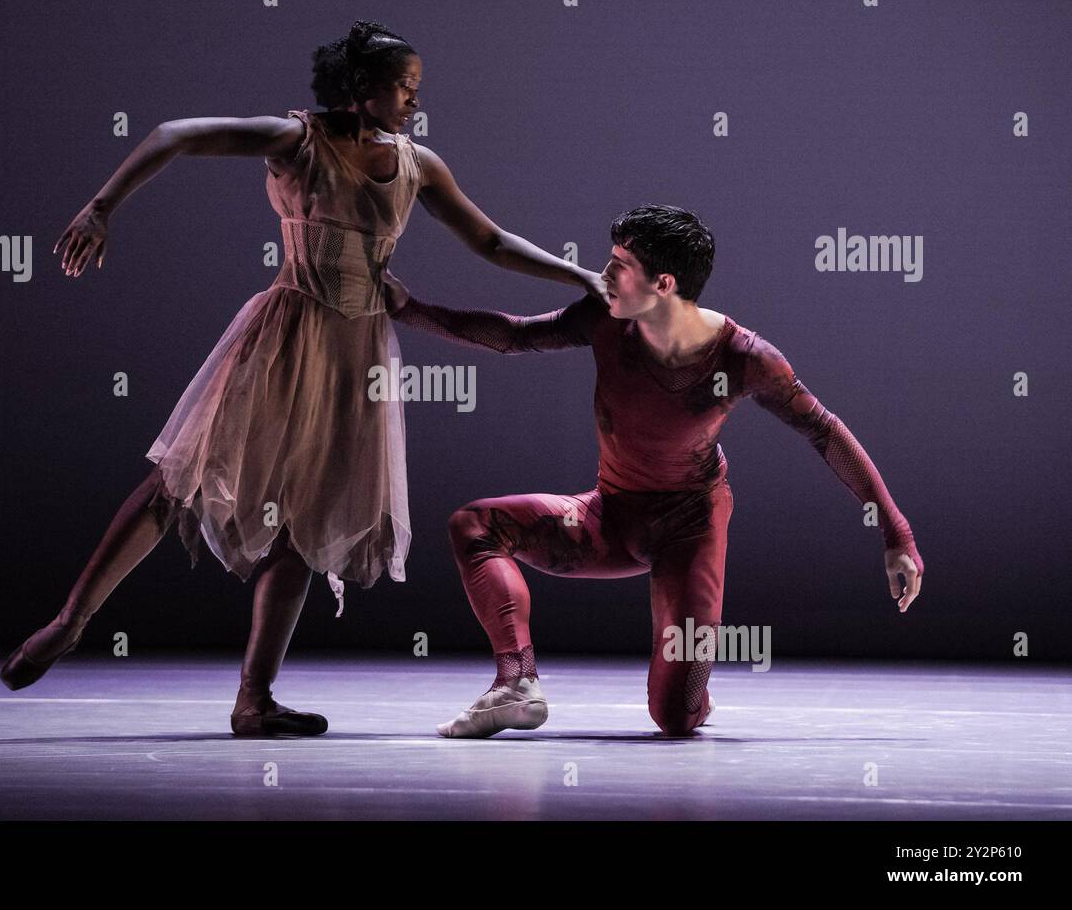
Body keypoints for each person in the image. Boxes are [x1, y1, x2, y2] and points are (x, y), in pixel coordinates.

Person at [0, 20, 605, 737]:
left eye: (416, 89)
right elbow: (175, 133)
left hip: (357, 358)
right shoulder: (298, 142)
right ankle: (73, 620)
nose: (412, 101)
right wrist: (102, 205)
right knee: (182, 477)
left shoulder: (417, 164)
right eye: (401, 86)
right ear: (358, 86)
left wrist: (579, 274)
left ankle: (254, 699)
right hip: (287, 333)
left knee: (304, 531)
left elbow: (491, 240)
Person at [383, 204, 924, 738]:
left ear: (663, 283)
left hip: (689, 529)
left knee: (675, 718)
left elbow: (824, 431)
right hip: (610, 517)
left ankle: (693, 684)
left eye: (620, 264)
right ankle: (516, 684)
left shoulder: (743, 357)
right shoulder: (605, 318)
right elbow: (517, 335)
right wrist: (410, 309)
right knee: (475, 525)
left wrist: (895, 531)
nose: (604, 274)